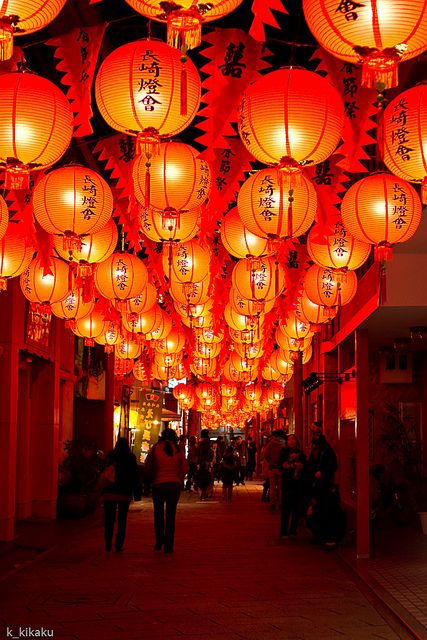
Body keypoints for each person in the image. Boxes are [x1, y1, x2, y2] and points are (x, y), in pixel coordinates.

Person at [149, 428, 188, 554]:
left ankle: (159, 541)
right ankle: (169, 545)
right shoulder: (177, 450)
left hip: (158, 484)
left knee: (158, 514)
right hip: (173, 485)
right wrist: (178, 475)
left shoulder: (156, 448)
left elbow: (149, 463)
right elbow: (186, 468)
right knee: (171, 515)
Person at [100, 437, 141, 553]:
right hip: (124, 492)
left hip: (110, 491)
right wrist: (137, 493)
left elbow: (103, 473)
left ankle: (108, 543)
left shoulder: (110, 457)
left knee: (109, 519)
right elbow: (135, 475)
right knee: (122, 519)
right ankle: (119, 544)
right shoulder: (130, 458)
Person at [306, 421, 340, 544]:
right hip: (317, 484)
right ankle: (319, 535)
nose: (313, 436)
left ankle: (324, 536)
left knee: (322, 510)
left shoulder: (325, 448)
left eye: (315, 433)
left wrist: (323, 473)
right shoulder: (318, 448)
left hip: (323, 485)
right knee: (317, 510)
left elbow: (333, 465)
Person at [278, 434, 306, 538]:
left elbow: (305, 465)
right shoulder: (284, 452)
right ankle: (284, 531)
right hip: (287, 483)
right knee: (286, 508)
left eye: (293, 439)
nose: (291, 441)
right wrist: (291, 464)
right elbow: (280, 465)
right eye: (289, 440)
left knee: (296, 508)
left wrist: (301, 466)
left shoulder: (300, 453)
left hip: (298, 483)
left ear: (296, 441)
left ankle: (293, 530)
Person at [263, 429, 287, 510]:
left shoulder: (270, 443)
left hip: (272, 467)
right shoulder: (284, 443)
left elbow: (266, 454)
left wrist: (270, 460)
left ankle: (272, 503)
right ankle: (280, 503)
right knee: (281, 487)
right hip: (281, 468)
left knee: (272, 486)